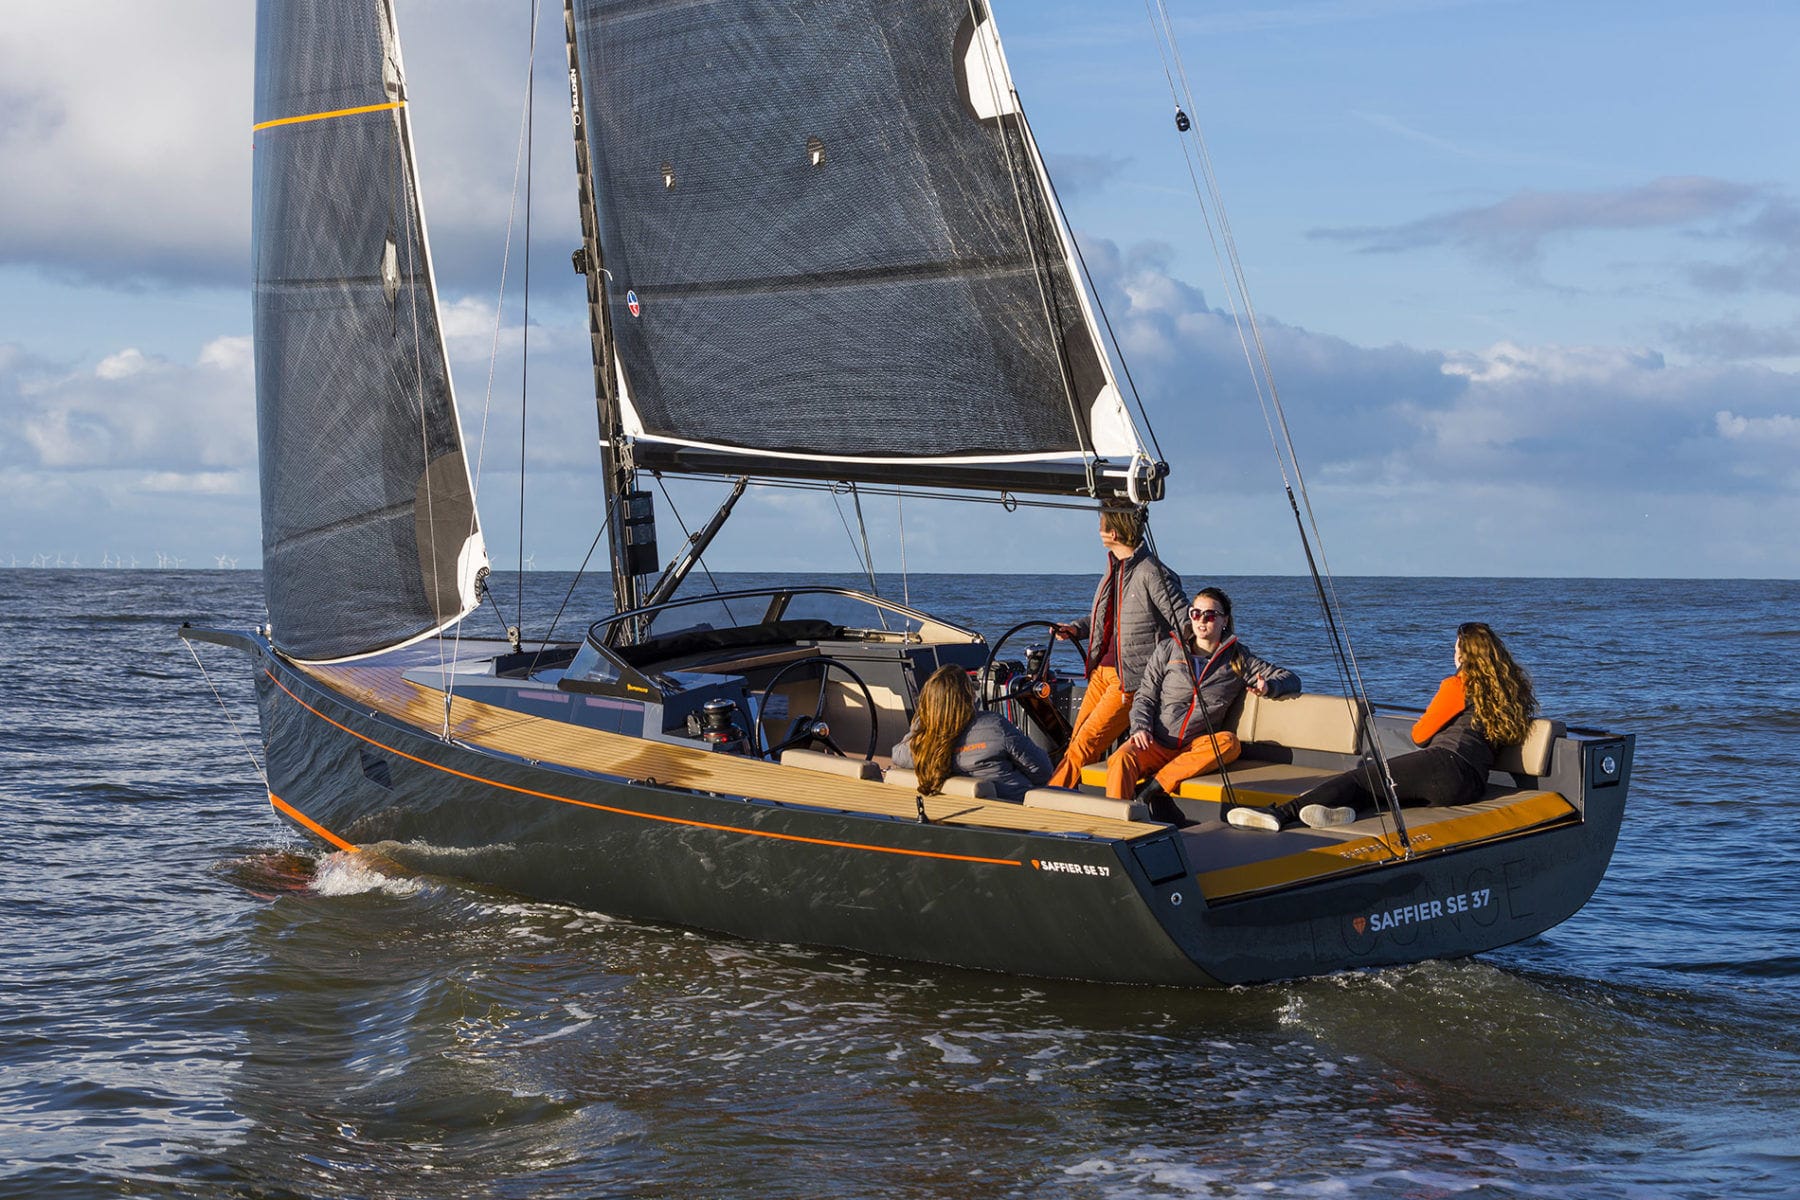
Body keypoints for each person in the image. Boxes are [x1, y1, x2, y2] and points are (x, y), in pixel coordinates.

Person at [1229, 621, 1537, 831]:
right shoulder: (1508, 693)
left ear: (1464, 652)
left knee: (1359, 779)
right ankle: (1340, 814)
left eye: (1457, 647)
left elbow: (1419, 735)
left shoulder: (1459, 684)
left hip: (1446, 763)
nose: (1453, 652)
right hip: (1471, 784)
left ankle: (1281, 813)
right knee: (1378, 791)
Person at [1105, 587, 1301, 826]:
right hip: (1156, 740)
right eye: (1195, 613)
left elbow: (1291, 678)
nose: (1201, 620)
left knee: (1229, 743)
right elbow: (1145, 696)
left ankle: (1151, 789)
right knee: (1121, 759)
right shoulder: (1168, 649)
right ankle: (1115, 826)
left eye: (1209, 615)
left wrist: (1268, 687)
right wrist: (1140, 728)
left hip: (1195, 748)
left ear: (1224, 620)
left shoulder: (1238, 659)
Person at [1044, 503, 1187, 790]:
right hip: (1101, 674)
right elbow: (1108, 618)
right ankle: (1060, 800)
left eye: (1102, 524)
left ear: (1114, 531)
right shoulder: (1114, 569)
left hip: (1129, 681)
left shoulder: (1152, 573)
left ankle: (1047, 801)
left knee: (1085, 744)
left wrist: (1168, 670)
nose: (1098, 530)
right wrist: (1076, 628)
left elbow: (1184, 623)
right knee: (1076, 743)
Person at [892, 665, 1053, 803]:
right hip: (1015, 809)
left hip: (962, 814)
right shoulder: (994, 726)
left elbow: (897, 755)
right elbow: (1043, 771)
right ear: (969, 696)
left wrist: (922, 722)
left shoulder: (921, 743)